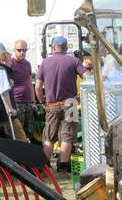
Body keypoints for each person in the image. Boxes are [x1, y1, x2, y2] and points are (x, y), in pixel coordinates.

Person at [35, 34, 86, 170]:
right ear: (65, 47)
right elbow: (88, 77)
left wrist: (42, 102)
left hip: (51, 104)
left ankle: (44, 166)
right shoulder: (74, 61)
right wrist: (80, 95)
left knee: (49, 137)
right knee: (68, 136)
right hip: (71, 103)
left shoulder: (45, 62)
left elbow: (38, 86)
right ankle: (63, 166)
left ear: (54, 47)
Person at [0, 51, 26, 140]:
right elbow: (4, 91)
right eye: (10, 60)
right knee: (21, 141)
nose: (11, 63)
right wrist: (10, 108)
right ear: (3, 61)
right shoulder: (1, 70)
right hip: (7, 115)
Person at [7, 39, 36, 140]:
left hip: (28, 103)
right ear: (14, 50)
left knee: (29, 132)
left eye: (24, 50)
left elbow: (29, 82)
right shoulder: (11, 63)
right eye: (19, 50)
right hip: (16, 103)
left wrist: (33, 102)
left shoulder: (27, 64)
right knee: (19, 134)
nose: (22, 52)